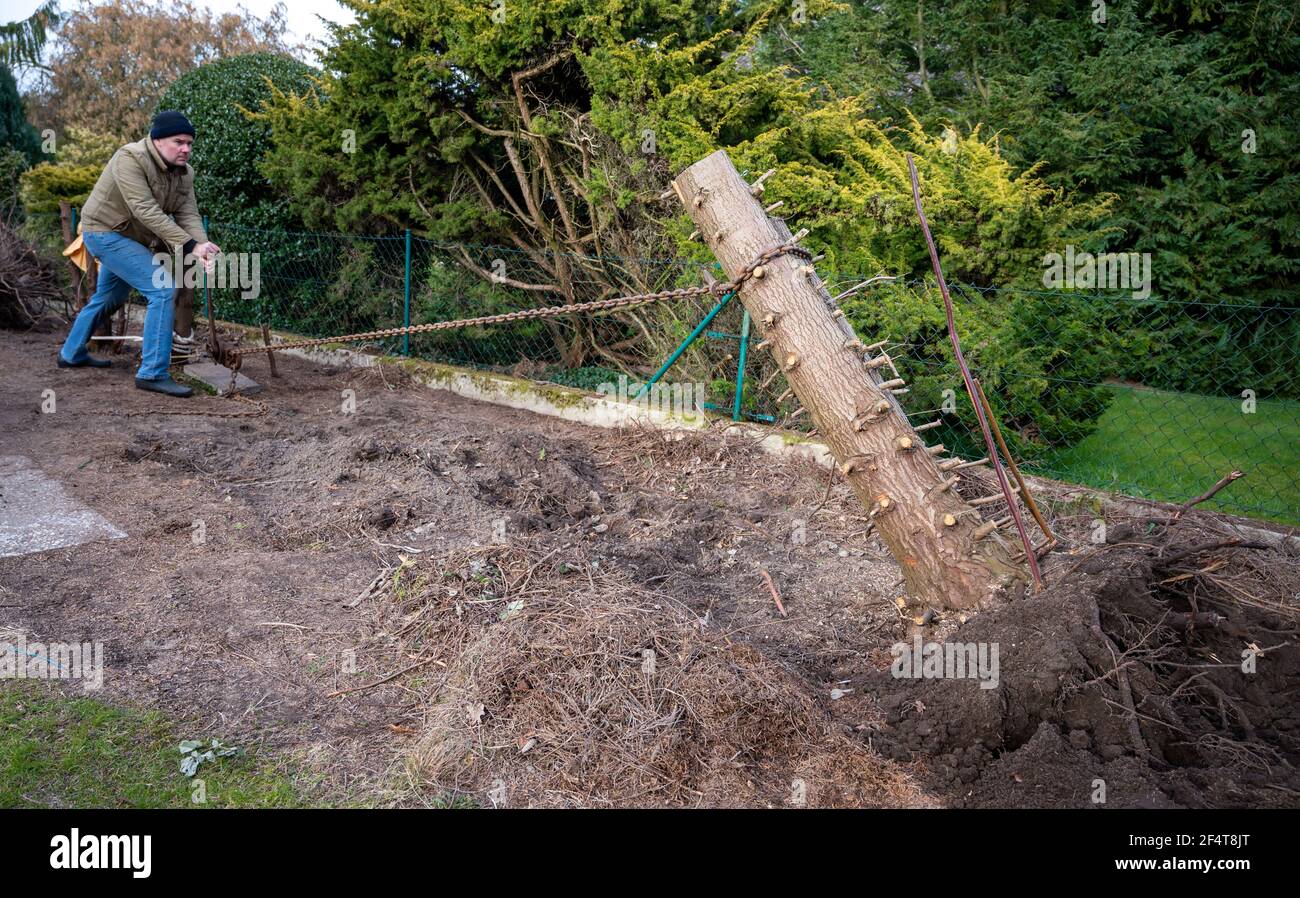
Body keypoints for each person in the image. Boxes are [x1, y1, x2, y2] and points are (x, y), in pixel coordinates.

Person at [57, 110, 220, 397]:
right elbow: (144, 210)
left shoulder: (185, 173)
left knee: (110, 297)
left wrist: (202, 247)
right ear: (157, 140)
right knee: (163, 288)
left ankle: (71, 353)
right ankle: (152, 373)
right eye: (179, 141)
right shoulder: (129, 158)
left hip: (132, 240)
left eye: (190, 144)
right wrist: (190, 245)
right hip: (104, 232)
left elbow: (189, 214)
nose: (186, 149)